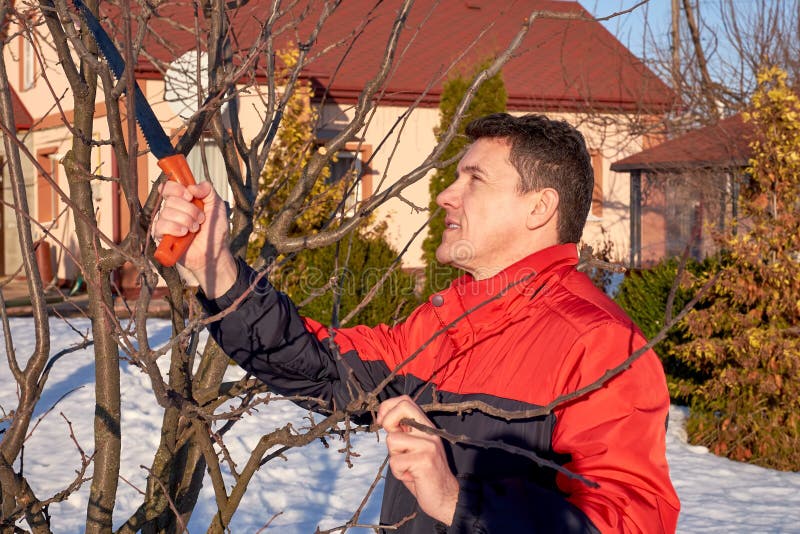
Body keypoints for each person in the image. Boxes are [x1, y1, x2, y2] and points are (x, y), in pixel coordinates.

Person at [154, 113, 680, 533]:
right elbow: (318, 367)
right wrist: (215, 266)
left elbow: (633, 521)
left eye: (474, 178)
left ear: (540, 207)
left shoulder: (598, 343)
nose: (447, 195)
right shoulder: (447, 322)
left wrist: (458, 502)